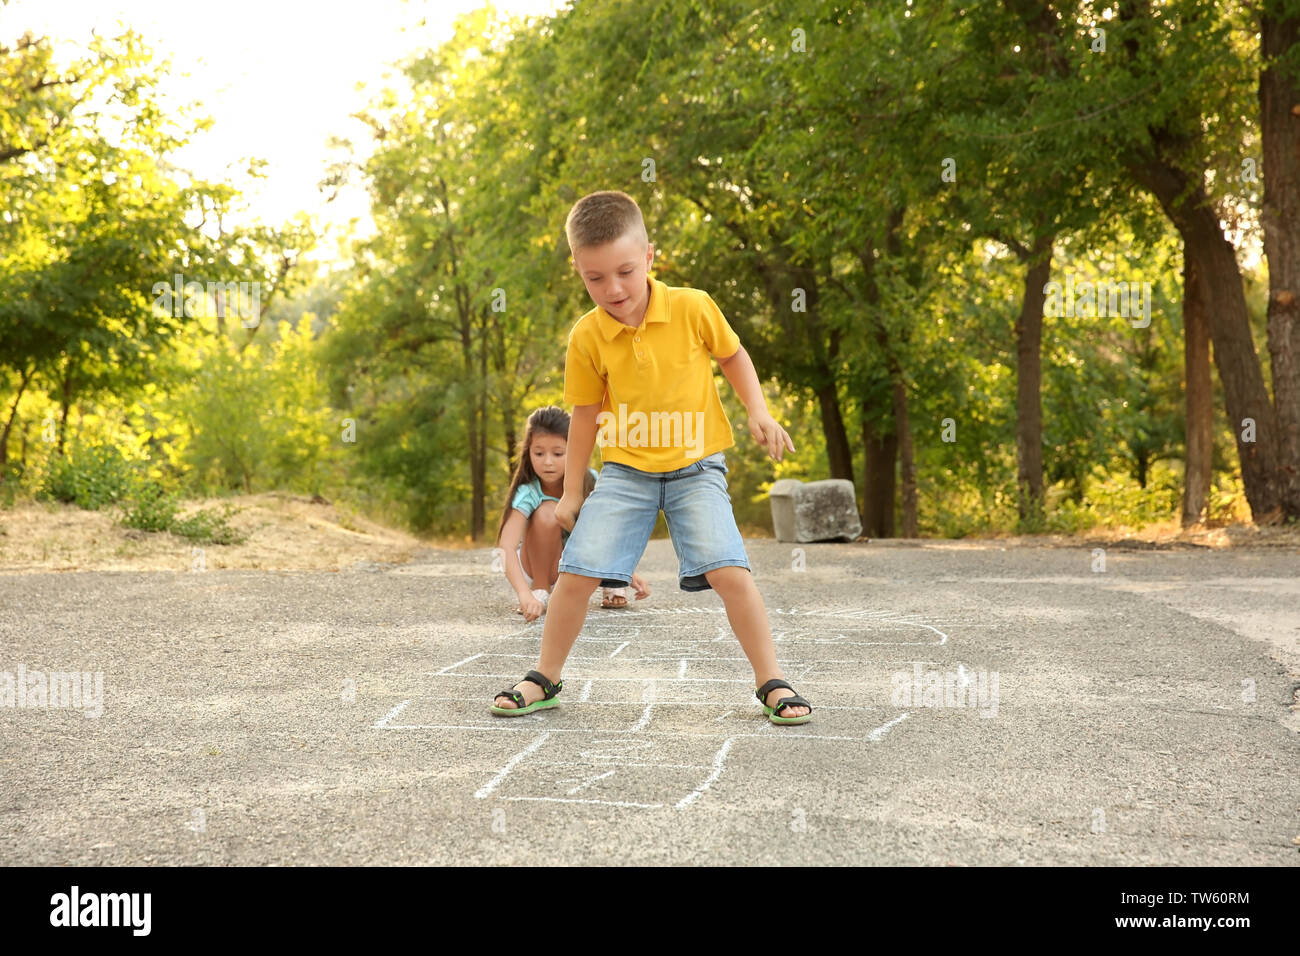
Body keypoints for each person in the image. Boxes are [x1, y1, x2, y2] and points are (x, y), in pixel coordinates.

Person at [490, 190, 813, 724]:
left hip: (696, 468)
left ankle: (772, 680)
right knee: (577, 574)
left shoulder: (693, 306)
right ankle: (544, 677)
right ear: (577, 268)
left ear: (649, 257)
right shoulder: (587, 335)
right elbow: (587, 416)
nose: (612, 289)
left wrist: (758, 410)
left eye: (625, 271)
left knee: (731, 571)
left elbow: (733, 355)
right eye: (595, 278)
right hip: (627, 473)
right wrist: (572, 492)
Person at [496, 405, 650, 623]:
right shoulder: (528, 491)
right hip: (540, 567)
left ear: (575, 450)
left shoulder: (591, 481)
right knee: (549, 512)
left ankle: (610, 580)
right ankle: (540, 589)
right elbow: (506, 546)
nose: (547, 461)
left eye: (558, 453)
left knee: (607, 516)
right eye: (538, 453)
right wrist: (523, 593)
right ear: (528, 452)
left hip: (576, 567)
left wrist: (626, 572)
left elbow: (609, 531)